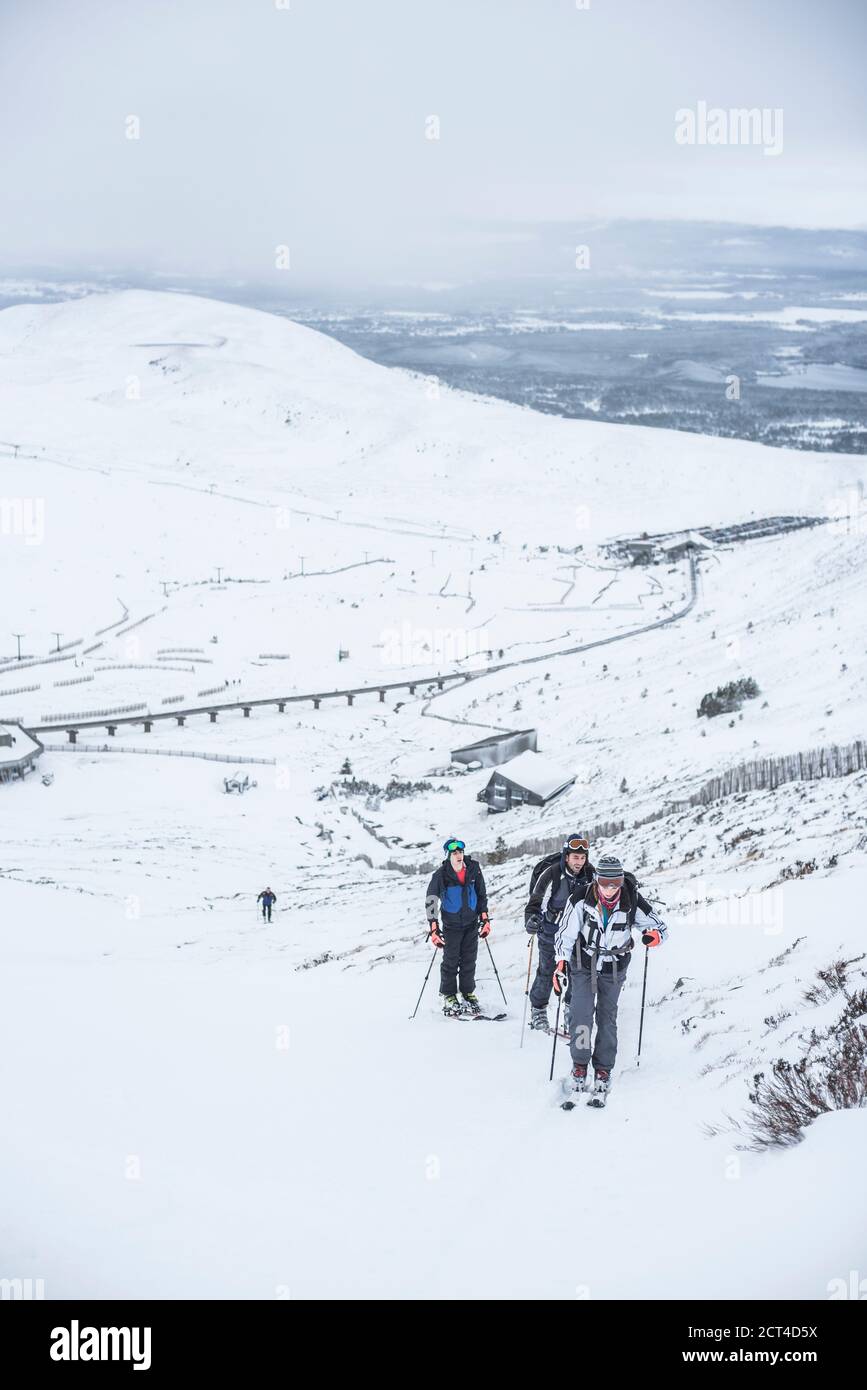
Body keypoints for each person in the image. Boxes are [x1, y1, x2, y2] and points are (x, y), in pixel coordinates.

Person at [553, 854, 668, 1099]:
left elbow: (659, 927)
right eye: (605, 881)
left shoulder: (632, 898)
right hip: (584, 963)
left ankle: (603, 1068)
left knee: (607, 1016)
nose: (610, 888)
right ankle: (580, 1063)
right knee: (581, 1014)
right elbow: (566, 933)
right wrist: (560, 963)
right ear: (596, 879)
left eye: (615, 881)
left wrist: (654, 936)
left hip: (614, 966)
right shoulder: (581, 898)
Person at [524, 834, 594, 1031]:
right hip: (550, 933)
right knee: (547, 972)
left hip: (577, 936)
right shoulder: (551, 874)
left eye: (582, 858)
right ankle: (538, 1010)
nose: (579, 862)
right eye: (575, 857)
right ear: (566, 856)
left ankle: (570, 1013)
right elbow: (534, 904)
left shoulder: (591, 875)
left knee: (576, 975)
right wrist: (531, 921)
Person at [425, 839, 491, 1015]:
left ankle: (468, 993)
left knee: (470, 959)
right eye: (454, 853)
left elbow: (481, 894)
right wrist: (433, 929)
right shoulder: (441, 875)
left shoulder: (474, 869)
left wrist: (485, 919)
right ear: (448, 855)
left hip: (471, 923)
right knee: (451, 961)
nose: (458, 855)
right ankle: (449, 995)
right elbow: (431, 901)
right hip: (451, 925)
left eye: (460, 852)